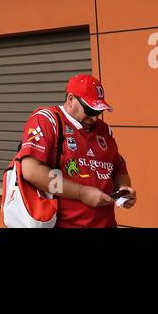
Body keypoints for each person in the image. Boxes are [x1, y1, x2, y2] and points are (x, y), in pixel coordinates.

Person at [14, 74, 136, 228]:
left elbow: (118, 168)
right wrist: (81, 193)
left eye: (98, 112)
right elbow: (31, 171)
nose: (94, 118)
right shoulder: (48, 120)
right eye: (90, 110)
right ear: (71, 99)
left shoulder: (105, 131)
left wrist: (124, 190)